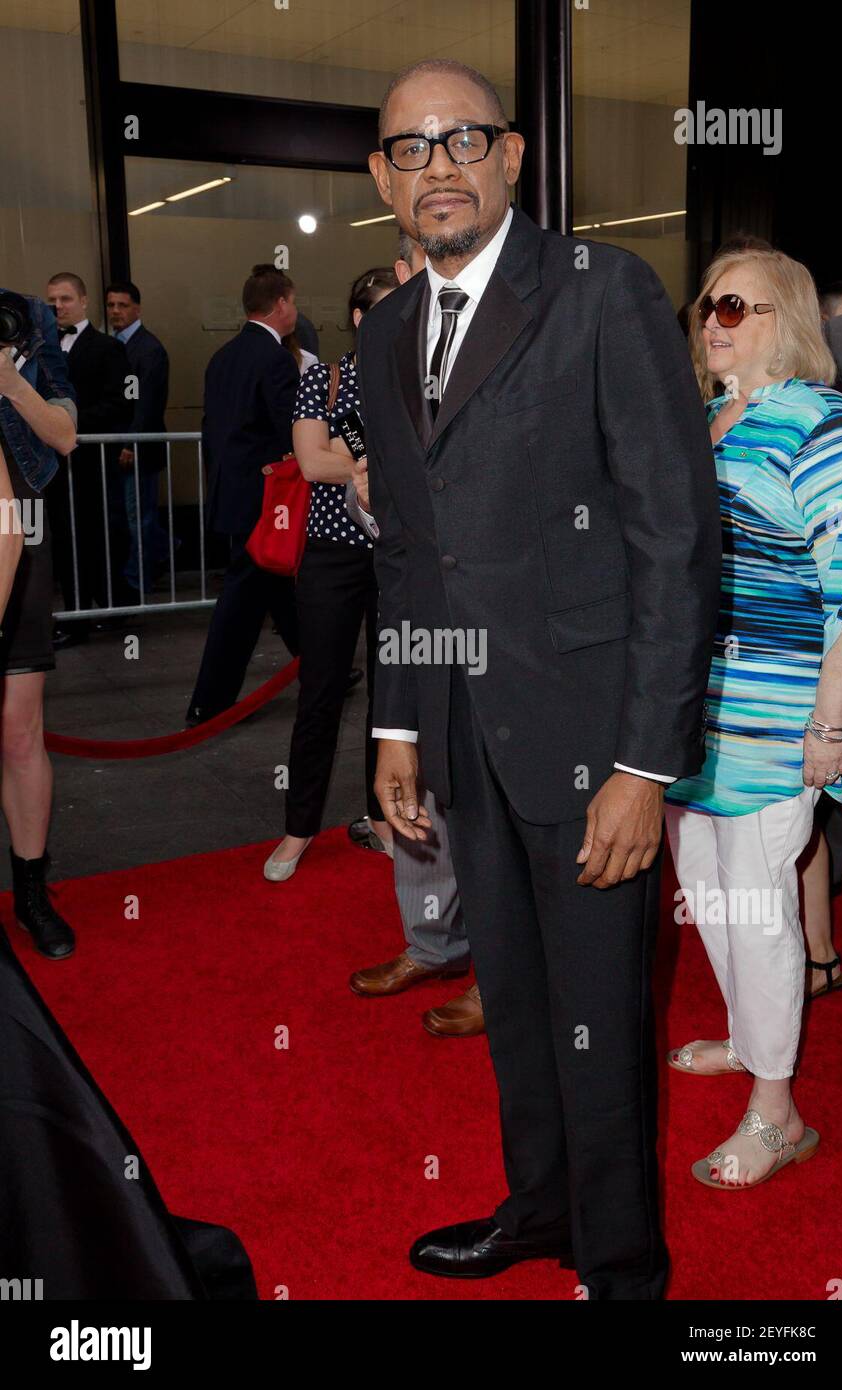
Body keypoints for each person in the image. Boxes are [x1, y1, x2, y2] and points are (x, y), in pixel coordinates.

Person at [357, 58, 720, 1298]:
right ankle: (541, 1210)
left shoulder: (600, 291)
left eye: (461, 139)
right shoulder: (384, 329)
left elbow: (675, 535)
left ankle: (620, 1265)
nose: (437, 165)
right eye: (409, 147)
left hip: (591, 739)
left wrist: (641, 764)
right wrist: (399, 723)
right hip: (462, 729)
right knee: (513, 1000)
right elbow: (410, 550)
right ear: (380, 180)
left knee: (602, 1016)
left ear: (510, 156)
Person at [665, 247, 842, 1188]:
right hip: (684, 707)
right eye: (708, 304)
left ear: (785, 317)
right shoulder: (706, 417)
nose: (714, 320)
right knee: (706, 887)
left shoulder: (821, 425)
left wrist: (831, 724)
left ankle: (778, 1113)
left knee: (762, 910)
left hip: (776, 713)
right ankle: (752, 1043)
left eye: (736, 306)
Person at [348, 231, 482, 1038]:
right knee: (417, 789)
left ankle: (501, 974)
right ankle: (432, 942)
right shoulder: (386, 347)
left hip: (511, 630)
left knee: (490, 807)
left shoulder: (506, 338)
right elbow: (396, 519)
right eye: (411, 272)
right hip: (419, 618)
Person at [263, 269, 395, 882]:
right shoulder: (324, 375)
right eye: (387, 311)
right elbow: (311, 462)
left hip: (398, 555)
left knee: (393, 698)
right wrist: (377, 462)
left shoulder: (419, 381)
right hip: (331, 555)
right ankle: (298, 828)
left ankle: (384, 817)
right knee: (320, 692)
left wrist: (360, 459)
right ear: (360, 316)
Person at [186, 265, 300, 725]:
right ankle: (207, 702)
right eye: (294, 302)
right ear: (279, 306)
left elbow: (213, 429)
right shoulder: (275, 360)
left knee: (277, 589)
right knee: (240, 603)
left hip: (231, 495)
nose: (296, 310)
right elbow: (291, 427)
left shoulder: (222, 356)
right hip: (263, 500)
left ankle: (321, 664)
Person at [0, 287, 78, 958]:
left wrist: (7, 382)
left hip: (17, 526)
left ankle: (30, 890)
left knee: (19, 730)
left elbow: (65, 434)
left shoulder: (26, 316)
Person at [44, 272, 132, 647]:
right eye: (52, 301)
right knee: (61, 538)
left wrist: (66, 421)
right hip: (50, 466)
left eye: (65, 299)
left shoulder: (107, 349)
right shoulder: (41, 348)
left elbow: (120, 403)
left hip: (89, 463)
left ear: (83, 302)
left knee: (94, 535)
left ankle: (104, 607)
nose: (58, 307)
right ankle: (82, 611)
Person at [105, 280, 171, 598]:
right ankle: (159, 555)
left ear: (137, 308)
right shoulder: (116, 346)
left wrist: (132, 442)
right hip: (123, 445)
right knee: (133, 515)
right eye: (111, 305)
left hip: (138, 448)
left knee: (138, 517)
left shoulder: (148, 348)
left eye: (122, 305)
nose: (116, 311)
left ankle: (138, 580)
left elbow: (148, 402)